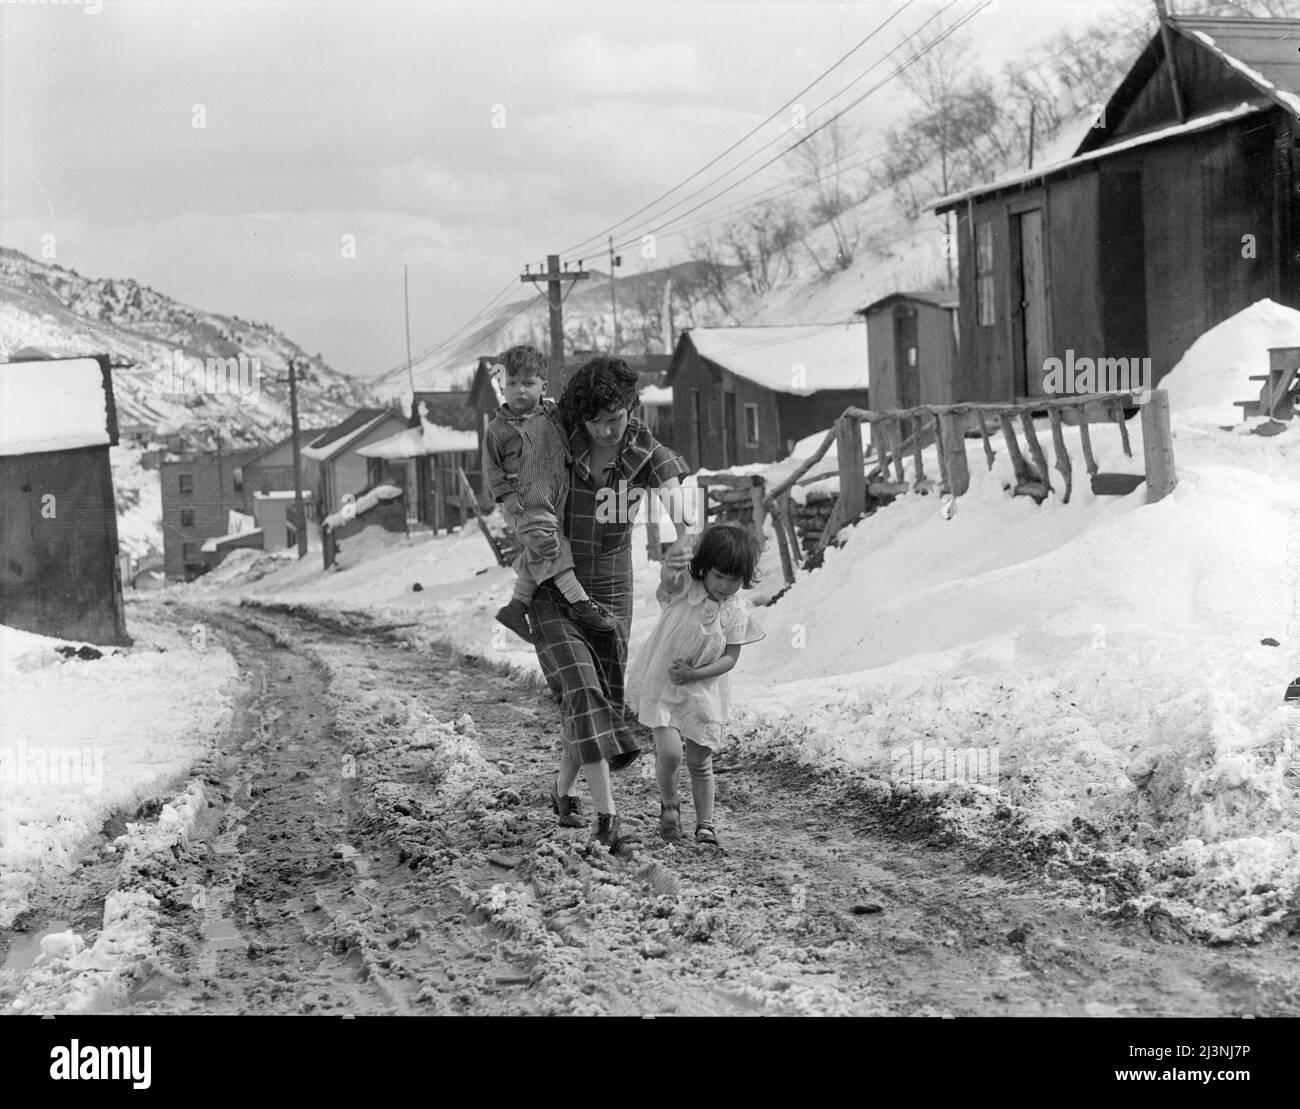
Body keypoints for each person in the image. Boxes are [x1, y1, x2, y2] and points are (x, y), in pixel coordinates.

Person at [528, 355, 690, 853]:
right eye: (594, 420)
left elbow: (674, 488)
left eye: (614, 418)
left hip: (614, 585)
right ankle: (607, 816)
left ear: (630, 408)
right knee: (581, 685)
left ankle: (562, 791)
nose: (604, 429)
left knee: (595, 696)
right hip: (553, 580)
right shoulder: (556, 442)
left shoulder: (644, 447)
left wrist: (683, 537)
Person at [625, 523, 765, 847]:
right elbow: (668, 580)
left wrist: (695, 674)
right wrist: (673, 561)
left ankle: (706, 825)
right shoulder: (686, 588)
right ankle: (670, 806)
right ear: (704, 568)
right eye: (719, 576)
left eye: (734, 579)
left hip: (703, 691)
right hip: (665, 681)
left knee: (701, 760)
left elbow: (730, 658)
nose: (725, 586)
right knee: (670, 752)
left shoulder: (736, 613)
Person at [484, 344, 617, 644]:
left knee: (540, 550)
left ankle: (516, 608)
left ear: (543, 385)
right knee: (551, 547)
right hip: (523, 498)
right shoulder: (498, 430)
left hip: (552, 496)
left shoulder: (552, 414)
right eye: (512, 383)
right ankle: (580, 603)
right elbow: (492, 468)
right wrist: (507, 497)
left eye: (528, 383)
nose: (520, 391)